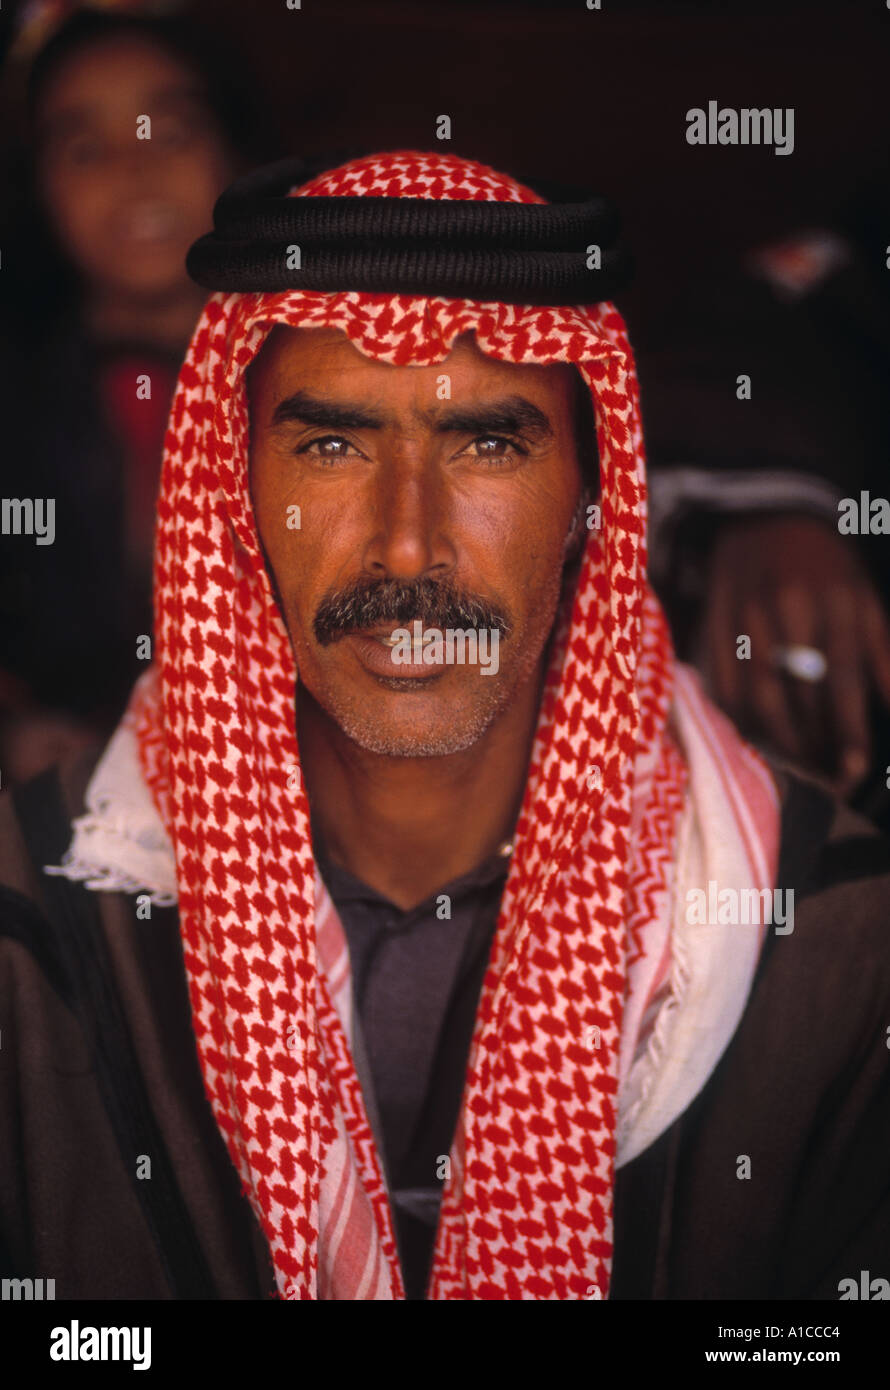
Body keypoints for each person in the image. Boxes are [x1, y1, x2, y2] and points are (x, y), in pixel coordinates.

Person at [1, 151, 888, 1301]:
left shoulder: (838, 946)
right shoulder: (27, 930)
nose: (408, 544)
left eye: (486, 443)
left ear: (587, 495)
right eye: (331, 445)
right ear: (233, 487)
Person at [0, 8, 264, 783]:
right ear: (35, 185)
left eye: (171, 131)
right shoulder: (16, 397)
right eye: (85, 148)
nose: (133, 170)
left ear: (233, 149)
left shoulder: (322, 376)